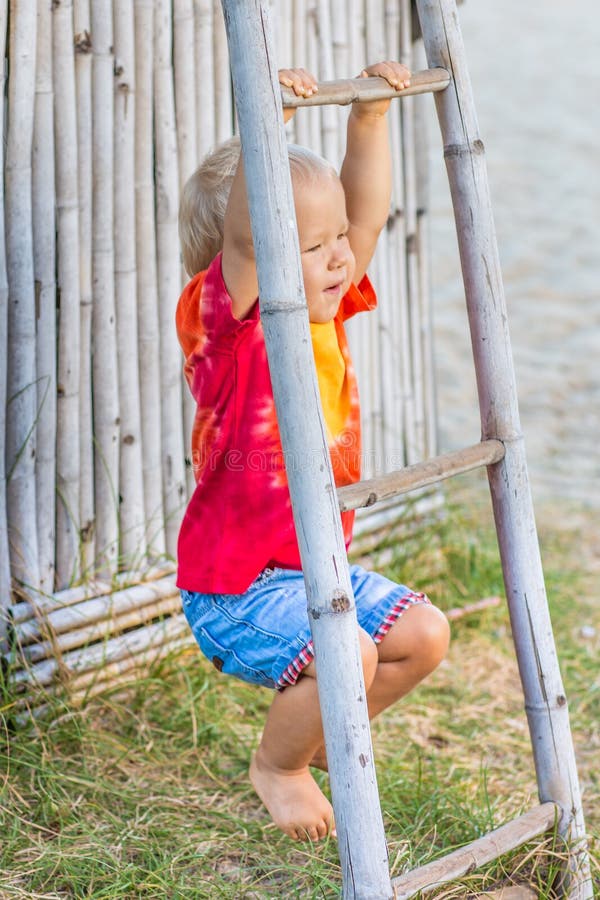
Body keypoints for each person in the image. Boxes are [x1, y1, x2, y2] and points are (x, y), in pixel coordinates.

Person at [175, 62, 450, 843]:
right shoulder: (225, 327)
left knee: (423, 637)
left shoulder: (323, 311)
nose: (339, 260)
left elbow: (362, 223)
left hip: (313, 569)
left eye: (337, 244)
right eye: (311, 245)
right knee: (350, 653)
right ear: (246, 256)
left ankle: (322, 737)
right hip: (235, 589)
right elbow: (247, 237)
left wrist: (368, 118)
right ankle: (279, 765)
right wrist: (274, 130)